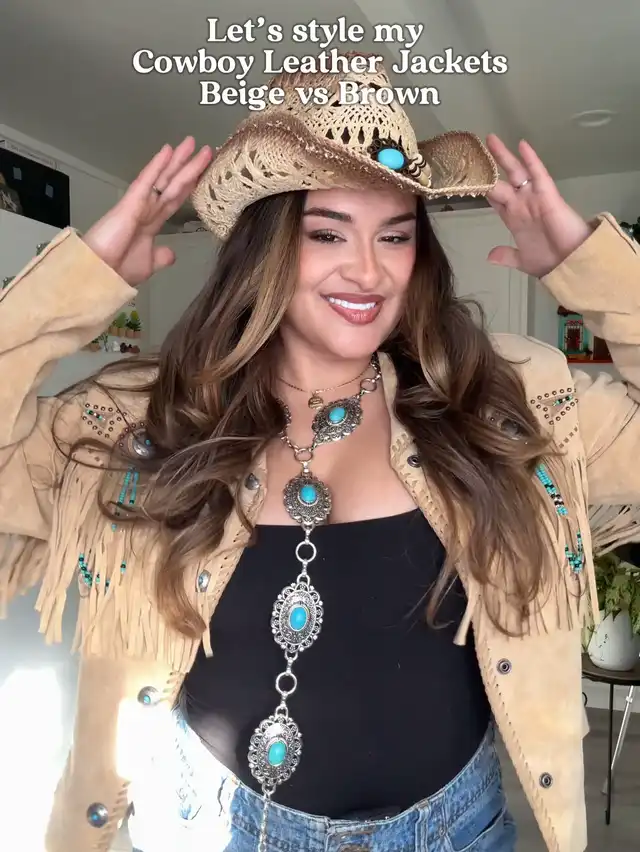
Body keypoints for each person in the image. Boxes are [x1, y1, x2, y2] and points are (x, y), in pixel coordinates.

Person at [1, 58, 639, 852]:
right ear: (263, 249)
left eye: (396, 235)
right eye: (327, 232)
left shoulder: (503, 403)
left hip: (456, 832)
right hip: (211, 830)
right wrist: (76, 285)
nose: (369, 270)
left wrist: (589, 266)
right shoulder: (144, 419)